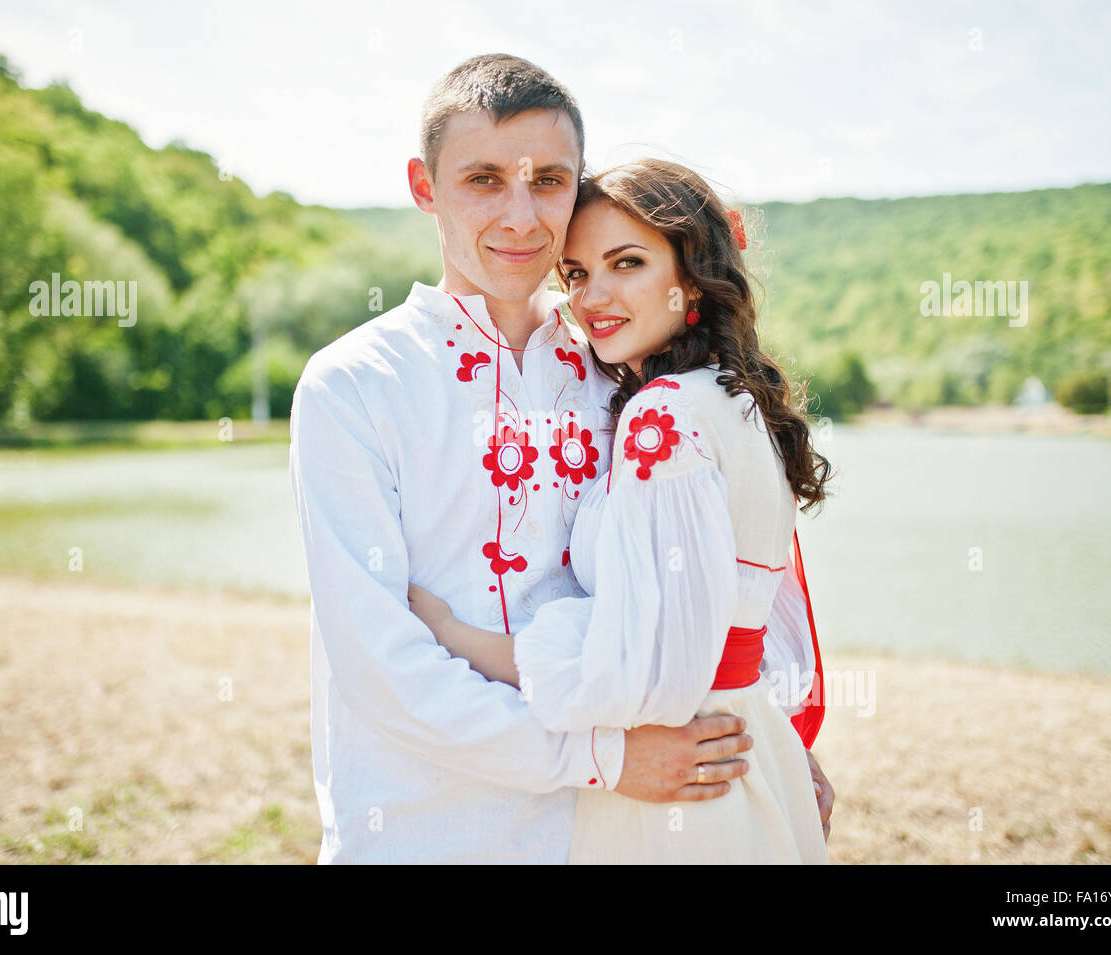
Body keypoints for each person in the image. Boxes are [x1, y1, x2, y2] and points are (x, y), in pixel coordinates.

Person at [288, 53, 833, 864]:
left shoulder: (617, 370)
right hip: (419, 831)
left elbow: (721, 570)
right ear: (423, 185)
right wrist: (603, 757)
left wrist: (772, 730)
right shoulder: (355, 384)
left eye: (548, 180)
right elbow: (377, 661)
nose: (521, 216)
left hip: (605, 834)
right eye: (482, 179)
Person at [407, 157, 834, 863]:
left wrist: (456, 635)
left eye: (626, 263)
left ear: (691, 276)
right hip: (749, 749)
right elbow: (764, 617)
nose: (592, 296)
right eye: (575, 274)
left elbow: (634, 676)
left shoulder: (661, 417)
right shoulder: (738, 402)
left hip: (677, 776)